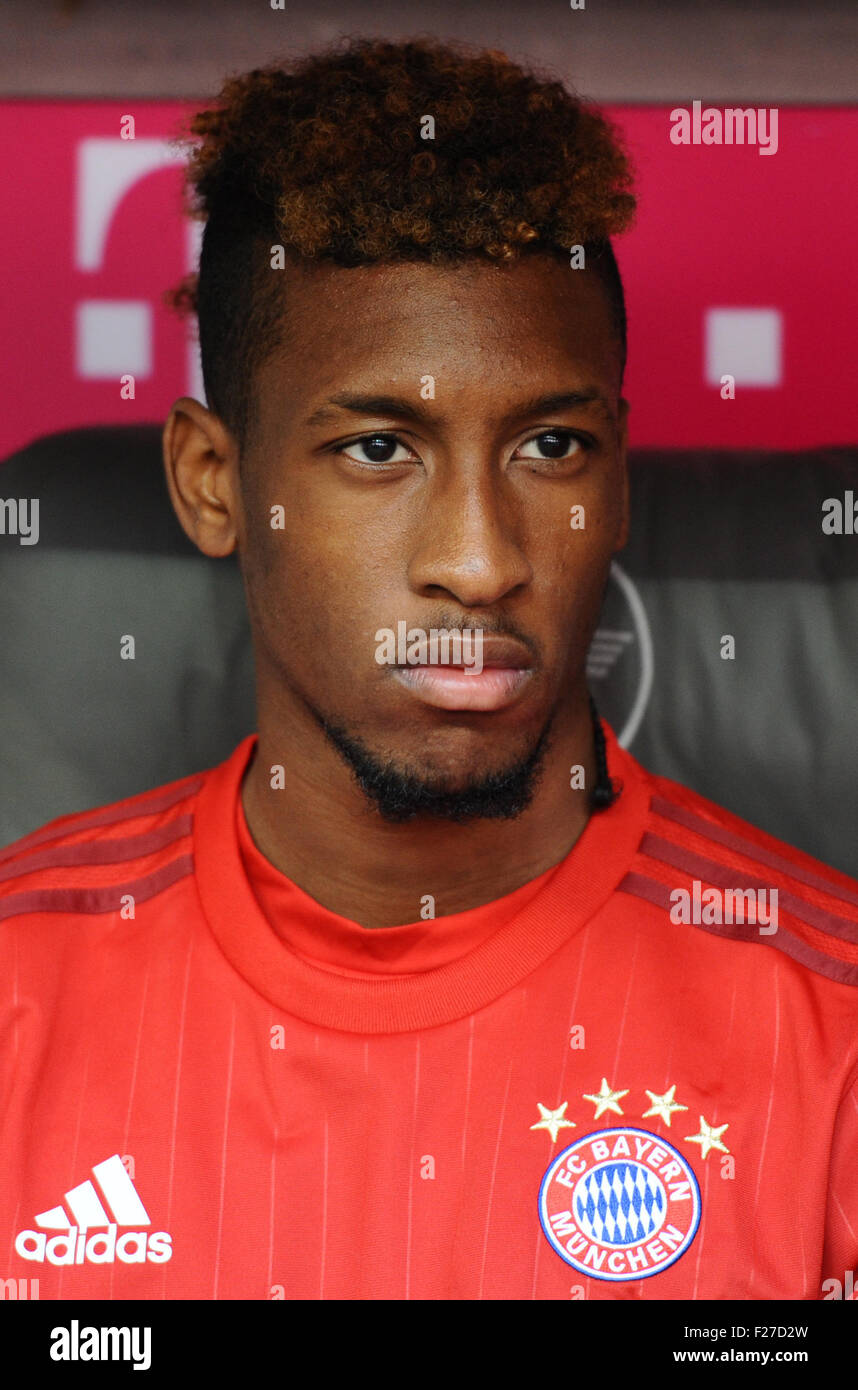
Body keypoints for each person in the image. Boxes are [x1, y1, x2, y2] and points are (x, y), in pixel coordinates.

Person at [2, 36, 857, 1301]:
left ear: (617, 479)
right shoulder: (18, 994)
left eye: (550, 443)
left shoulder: (832, 1038)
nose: (478, 561)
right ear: (213, 480)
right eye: (378, 451)